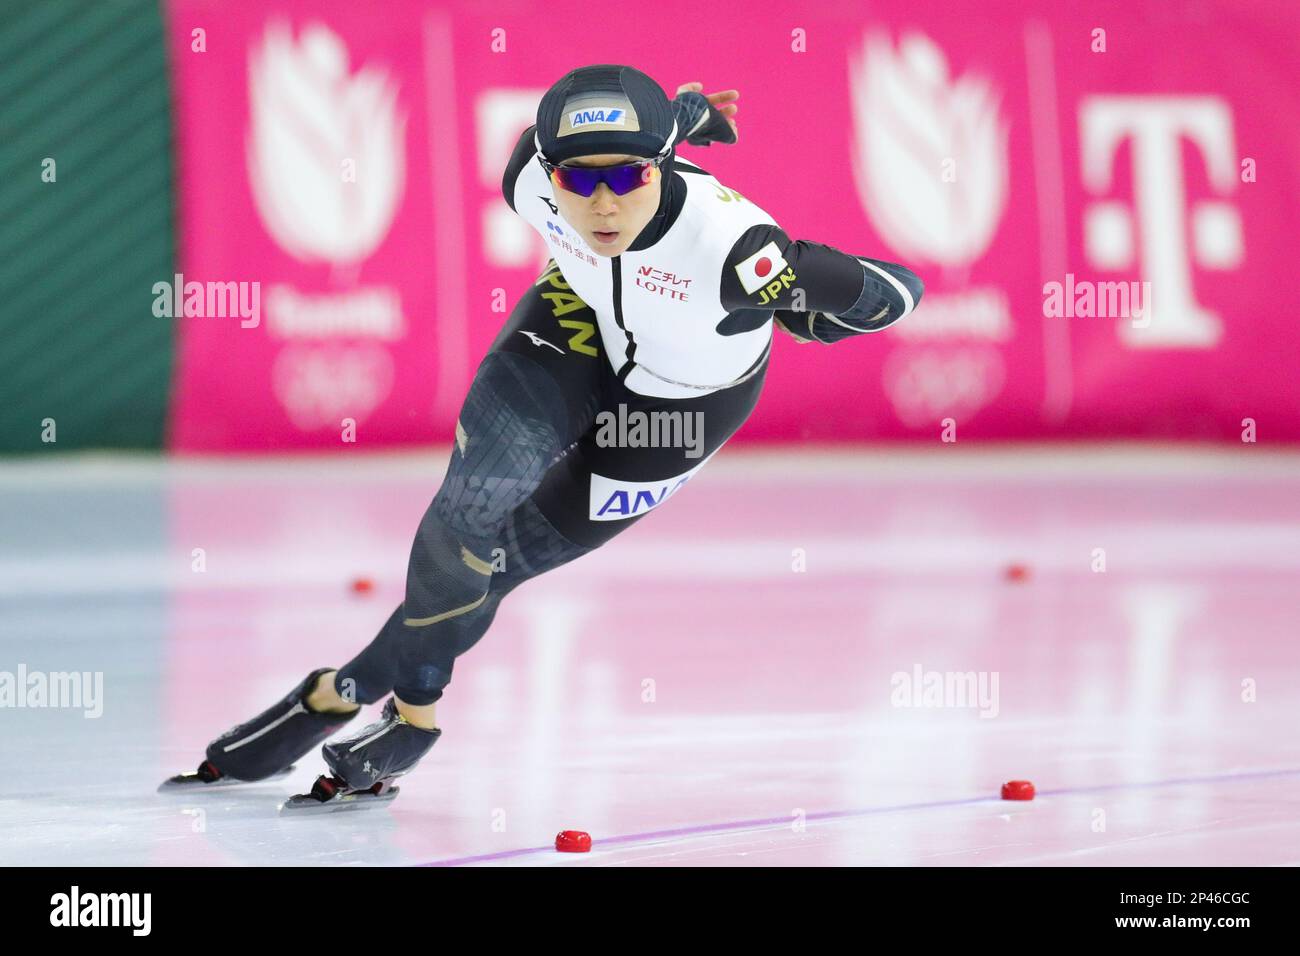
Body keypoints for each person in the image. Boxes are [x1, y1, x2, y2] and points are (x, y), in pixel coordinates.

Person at [172, 64, 924, 806]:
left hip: (679, 409)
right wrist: (688, 110)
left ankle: (340, 693)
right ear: (549, 171)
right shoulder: (528, 173)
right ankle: (417, 716)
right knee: (469, 507)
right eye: (577, 180)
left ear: (664, 167)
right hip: (578, 326)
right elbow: (603, 147)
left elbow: (899, 294)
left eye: (628, 178)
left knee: (495, 569)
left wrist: (816, 311)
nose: (600, 203)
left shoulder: (738, 251)